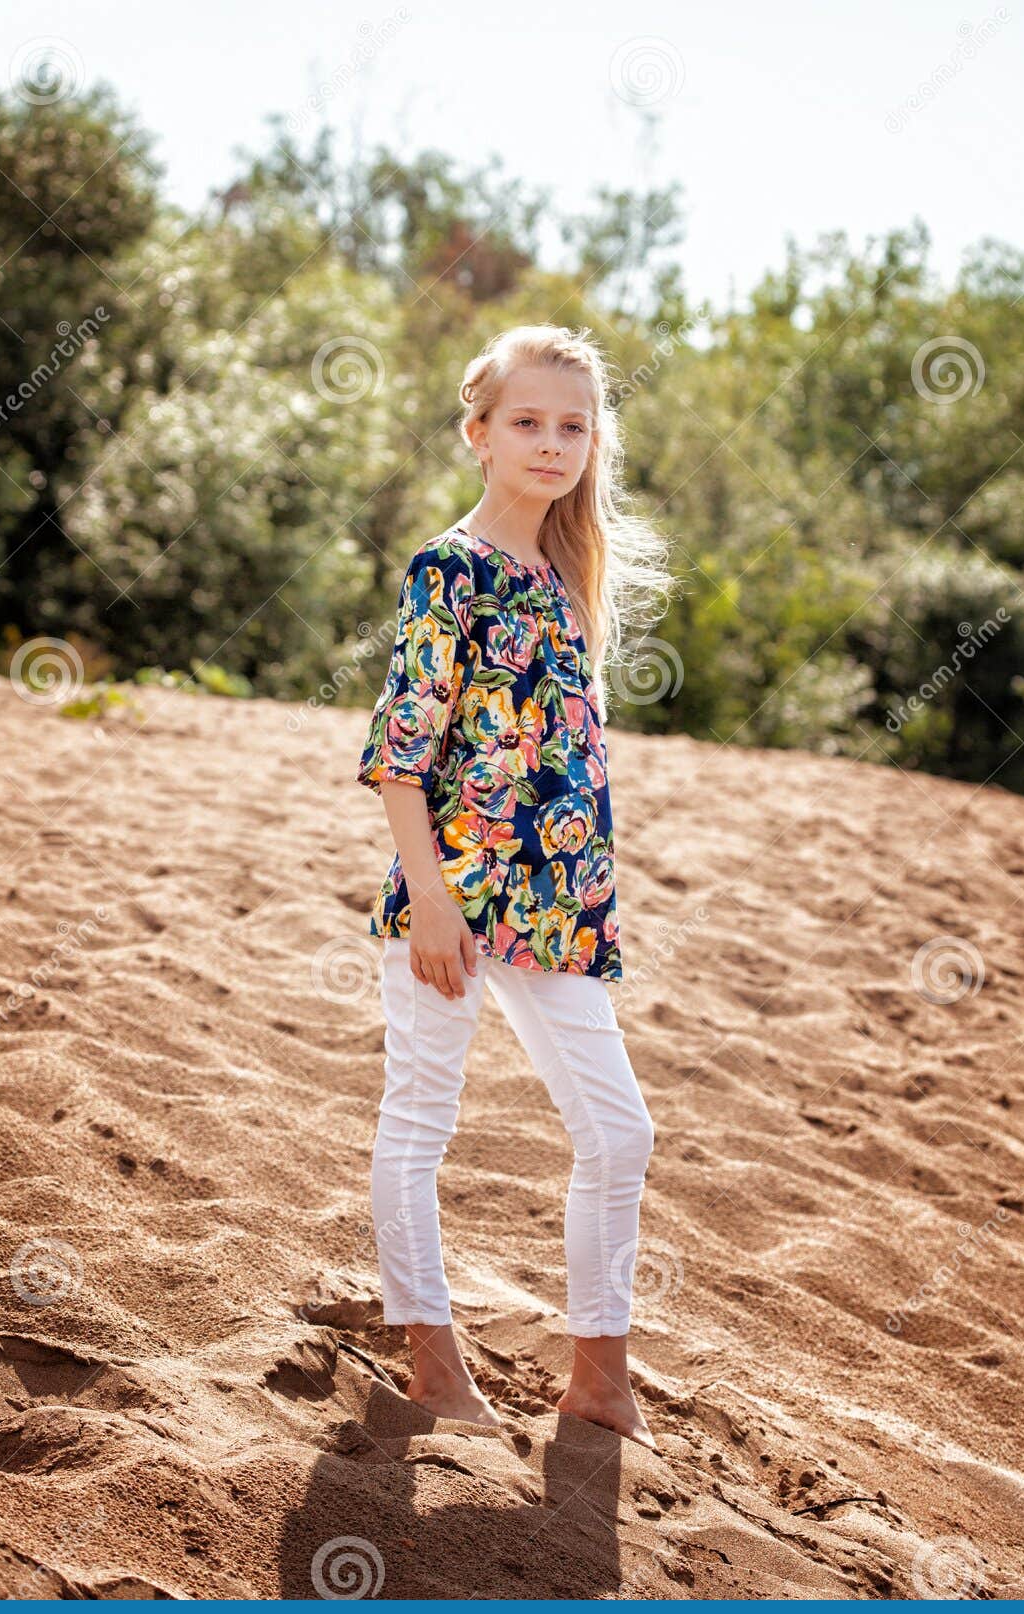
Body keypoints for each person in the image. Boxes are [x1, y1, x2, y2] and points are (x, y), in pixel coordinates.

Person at [355, 324, 671, 1449]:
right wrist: (429, 898)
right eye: (526, 422)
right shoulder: (451, 567)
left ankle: (597, 1377)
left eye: (572, 426)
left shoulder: (565, 574)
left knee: (617, 1130)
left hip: (560, 908)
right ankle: (433, 1364)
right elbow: (401, 752)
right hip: (453, 901)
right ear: (478, 434)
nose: (551, 443)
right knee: (421, 1120)